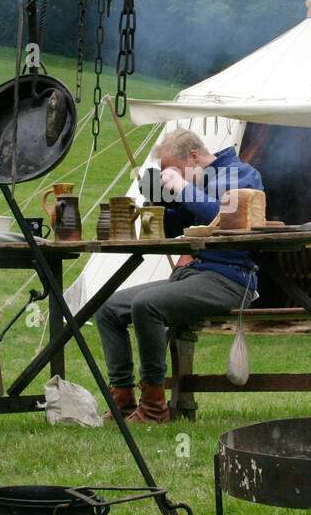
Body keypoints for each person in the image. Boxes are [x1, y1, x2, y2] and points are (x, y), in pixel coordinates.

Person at [95, 129, 263, 423]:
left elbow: (222, 216)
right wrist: (158, 201)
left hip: (230, 279)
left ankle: (153, 407)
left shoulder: (239, 174)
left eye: (171, 168)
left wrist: (182, 186)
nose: (166, 175)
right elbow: (175, 229)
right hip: (195, 275)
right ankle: (122, 401)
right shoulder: (199, 181)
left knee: (147, 305)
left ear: (193, 157)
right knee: (107, 308)